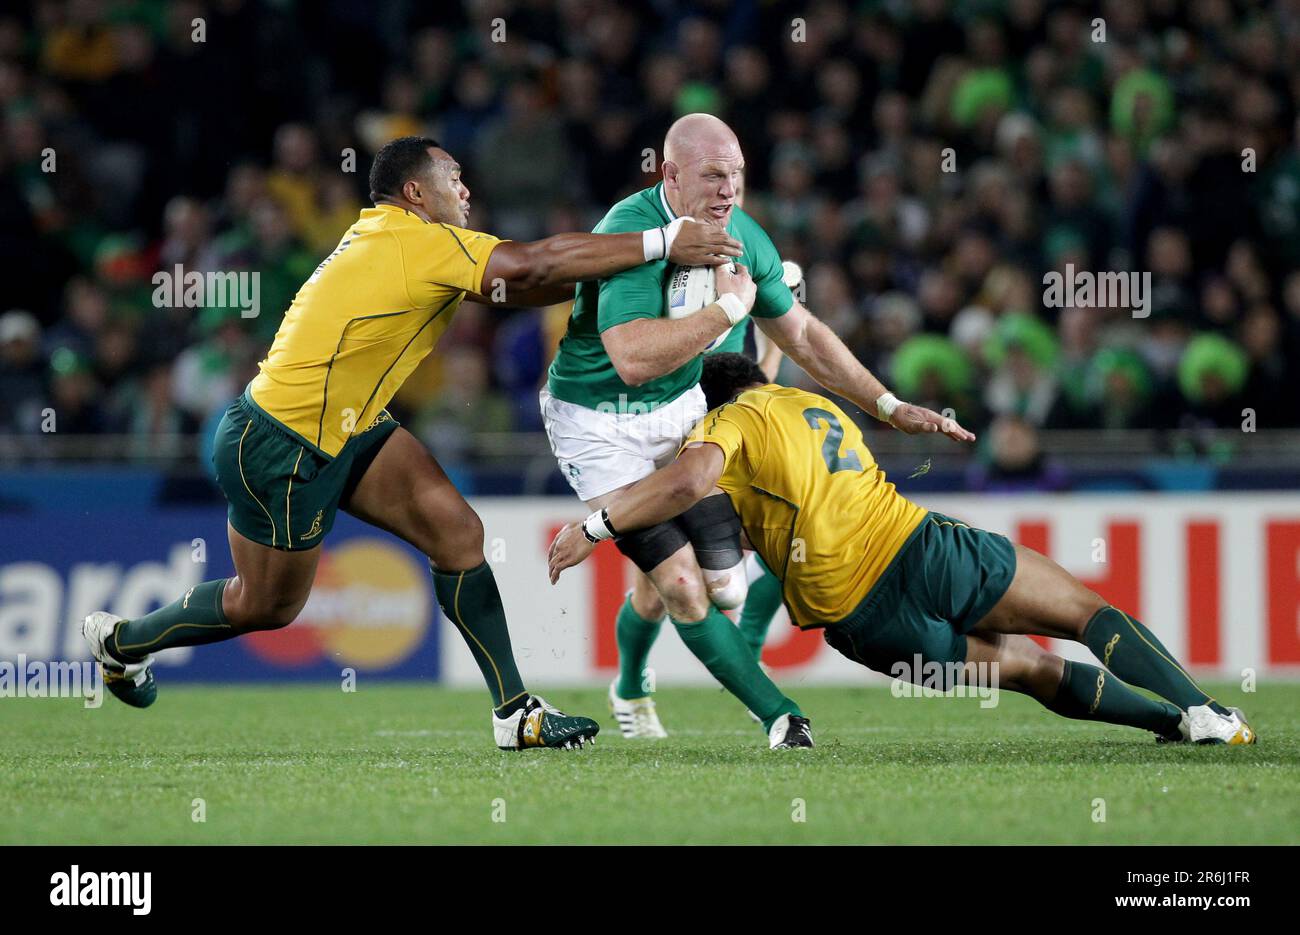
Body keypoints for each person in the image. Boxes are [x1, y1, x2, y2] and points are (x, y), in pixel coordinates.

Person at [82, 135, 741, 751]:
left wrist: (631, 278)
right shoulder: (411, 239)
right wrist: (659, 242)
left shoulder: (407, 241)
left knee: (457, 532)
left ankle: (516, 713)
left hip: (351, 423)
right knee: (267, 605)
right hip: (281, 441)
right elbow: (534, 262)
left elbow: (528, 284)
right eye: (454, 179)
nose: (467, 191)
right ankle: (122, 640)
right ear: (416, 194)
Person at [548, 353, 1257, 746]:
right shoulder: (816, 403)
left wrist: (596, 525)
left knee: (1033, 670)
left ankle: (1170, 722)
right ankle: (1203, 712)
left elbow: (692, 480)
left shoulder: (723, 428)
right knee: (1083, 610)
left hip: (866, 620)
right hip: (920, 546)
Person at [541, 114, 971, 747]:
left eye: (736, 176)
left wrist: (884, 403)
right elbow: (632, 362)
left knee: (721, 581)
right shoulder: (630, 232)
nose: (728, 191)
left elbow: (799, 333)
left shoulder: (743, 236)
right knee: (682, 586)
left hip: (683, 410)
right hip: (598, 425)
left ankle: (630, 685)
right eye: (713, 176)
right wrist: (732, 308)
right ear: (671, 175)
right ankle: (780, 715)